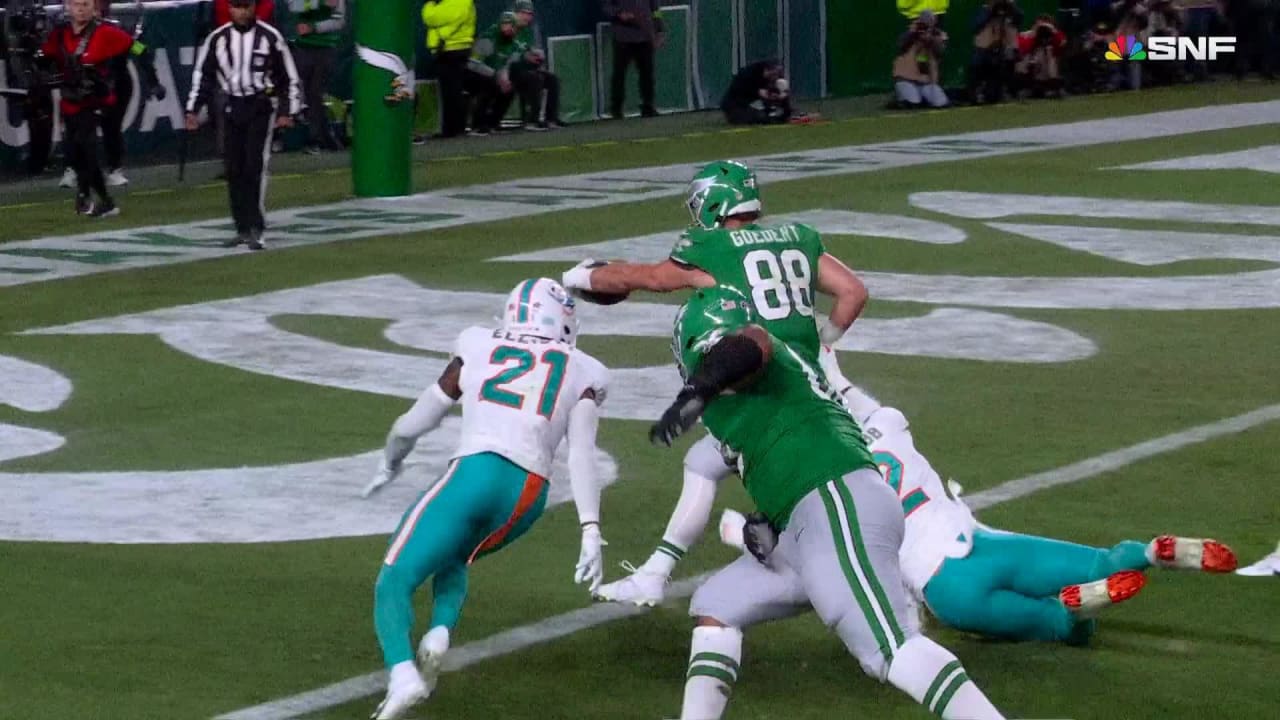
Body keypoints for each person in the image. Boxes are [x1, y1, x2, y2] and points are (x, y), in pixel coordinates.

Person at [603, 350, 1241, 647]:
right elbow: (844, 393)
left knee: (1061, 627)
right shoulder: (887, 423)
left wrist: (740, 527)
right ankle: (1143, 555)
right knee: (1099, 559)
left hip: (943, 585)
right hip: (980, 540)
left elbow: (793, 536)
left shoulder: (807, 466)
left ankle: (1074, 614)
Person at [645, 286, 1005, 720]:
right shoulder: (750, 393)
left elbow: (751, 345)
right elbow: (782, 447)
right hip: (808, 521)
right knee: (717, 604)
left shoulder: (755, 351)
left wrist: (697, 390)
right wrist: (772, 520)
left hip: (837, 501)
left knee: (890, 648)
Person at [362, 278, 610, 720]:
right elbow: (582, 455)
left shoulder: (477, 344)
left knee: (394, 579)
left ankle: (402, 675)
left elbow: (413, 423)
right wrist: (590, 528)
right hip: (527, 496)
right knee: (455, 556)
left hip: (475, 474)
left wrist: (390, 461)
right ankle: (439, 633)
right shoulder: (585, 369)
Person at [561, 159, 869, 363]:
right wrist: (823, 344)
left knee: (707, 459)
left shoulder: (710, 246)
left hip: (756, 374)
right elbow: (853, 292)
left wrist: (582, 278)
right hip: (811, 372)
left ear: (713, 202)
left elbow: (646, 278)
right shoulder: (798, 236)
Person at [185, 0, 301, 250]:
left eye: (246, 6)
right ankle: (241, 227)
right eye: (237, 6)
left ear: (254, 8)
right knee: (233, 168)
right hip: (231, 106)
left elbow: (288, 77)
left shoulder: (271, 37)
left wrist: (286, 110)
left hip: (260, 106)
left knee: (254, 165)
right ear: (229, 9)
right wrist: (193, 108)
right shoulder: (218, 38)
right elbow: (202, 75)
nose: (242, 12)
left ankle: (256, 227)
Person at [41, 0, 135, 217]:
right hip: (69, 101)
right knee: (76, 152)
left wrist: (149, 74)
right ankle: (86, 196)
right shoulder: (60, 34)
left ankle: (103, 200)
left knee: (87, 148)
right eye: (76, 4)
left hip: (94, 101)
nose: (80, 9)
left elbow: (135, 45)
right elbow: (46, 57)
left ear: (95, 8)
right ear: (67, 7)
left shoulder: (106, 32)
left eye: (85, 4)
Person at [59, 0, 164, 190]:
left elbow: (139, 49)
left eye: (92, 7)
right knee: (75, 129)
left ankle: (115, 169)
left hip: (115, 85)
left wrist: (153, 81)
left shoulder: (114, 32)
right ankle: (72, 169)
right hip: (81, 86)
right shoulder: (67, 32)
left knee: (111, 127)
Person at [287, 0, 346, 153]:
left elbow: (339, 21)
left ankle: (319, 139)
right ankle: (324, 139)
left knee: (315, 93)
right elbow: (293, 6)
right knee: (304, 94)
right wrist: (320, 3)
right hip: (302, 48)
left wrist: (314, 27)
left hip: (326, 50)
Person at [421, 0, 477, 138]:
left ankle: (453, 130)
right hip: (449, 50)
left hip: (452, 50)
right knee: (451, 91)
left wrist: (429, 5)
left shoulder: (459, 2)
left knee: (452, 91)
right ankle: (454, 128)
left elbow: (431, 18)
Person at [466, 11, 528, 134]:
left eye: (511, 25)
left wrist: (504, 78)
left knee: (509, 87)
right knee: (490, 84)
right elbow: (472, 64)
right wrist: (495, 75)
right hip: (471, 74)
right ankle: (477, 124)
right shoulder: (488, 39)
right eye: (504, 24)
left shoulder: (514, 44)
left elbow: (507, 64)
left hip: (494, 74)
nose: (507, 28)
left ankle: (493, 123)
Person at [603, 0, 664, 118]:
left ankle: (648, 106)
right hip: (623, 37)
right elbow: (606, 7)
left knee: (647, 73)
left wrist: (659, 29)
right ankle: (616, 108)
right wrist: (619, 14)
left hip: (645, 36)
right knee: (619, 74)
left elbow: (656, 10)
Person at [512, 0, 564, 128]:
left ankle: (551, 118)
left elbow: (532, 51)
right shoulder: (508, 28)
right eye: (523, 13)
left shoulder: (529, 31)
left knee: (552, 79)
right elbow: (506, 56)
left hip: (527, 68)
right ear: (515, 13)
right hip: (510, 71)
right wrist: (525, 58)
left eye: (529, 13)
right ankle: (532, 120)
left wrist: (537, 57)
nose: (527, 16)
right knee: (535, 78)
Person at [893, 10, 950, 108]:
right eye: (924, 23)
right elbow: (899, 46)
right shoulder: (911, 34)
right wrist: (911, 33)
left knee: (941, 103)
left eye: (930, 23)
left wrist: (933, 39)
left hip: (927, 80)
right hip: (907, 78)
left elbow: (940, 52)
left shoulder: (937, 35)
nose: (926, 28)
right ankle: (902, 97)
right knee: (912, 103)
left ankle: (923, 97)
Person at [970, 0, 1022, 103]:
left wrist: (1011, 5)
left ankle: (1005, 90)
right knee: (977, 62)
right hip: (983, 52)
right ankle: (977, 91)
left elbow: (1019, 18)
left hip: (998, 54)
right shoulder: (984, 10)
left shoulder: (1007, 11)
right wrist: (990, 10)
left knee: (992, 96)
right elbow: (975, 26)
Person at [720, 58, 795, 124]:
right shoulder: (748, 74)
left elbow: (781, 94)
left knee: (768, 116)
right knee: (758, 117)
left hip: (748, 103)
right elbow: (743, 91)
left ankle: (776, 117)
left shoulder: (774, 79)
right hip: (735, 104)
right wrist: (760, 93)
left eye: (778, 74)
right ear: (766, 70)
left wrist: (783, 100)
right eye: (774, 74)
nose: (776, 77)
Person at [1014, 14, 1066, 98]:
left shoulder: (1054, 37)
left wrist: (1052, 31)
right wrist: (1034, 36)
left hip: (1045, 75)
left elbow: (1062, 44)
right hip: (1029, 72)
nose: (1042, 30)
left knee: (1048, 51)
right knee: (1025, 57)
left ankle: (1054, 88)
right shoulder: (1025, 35)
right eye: (1039, 25)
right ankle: (1023, 88)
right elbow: (1021, 51)